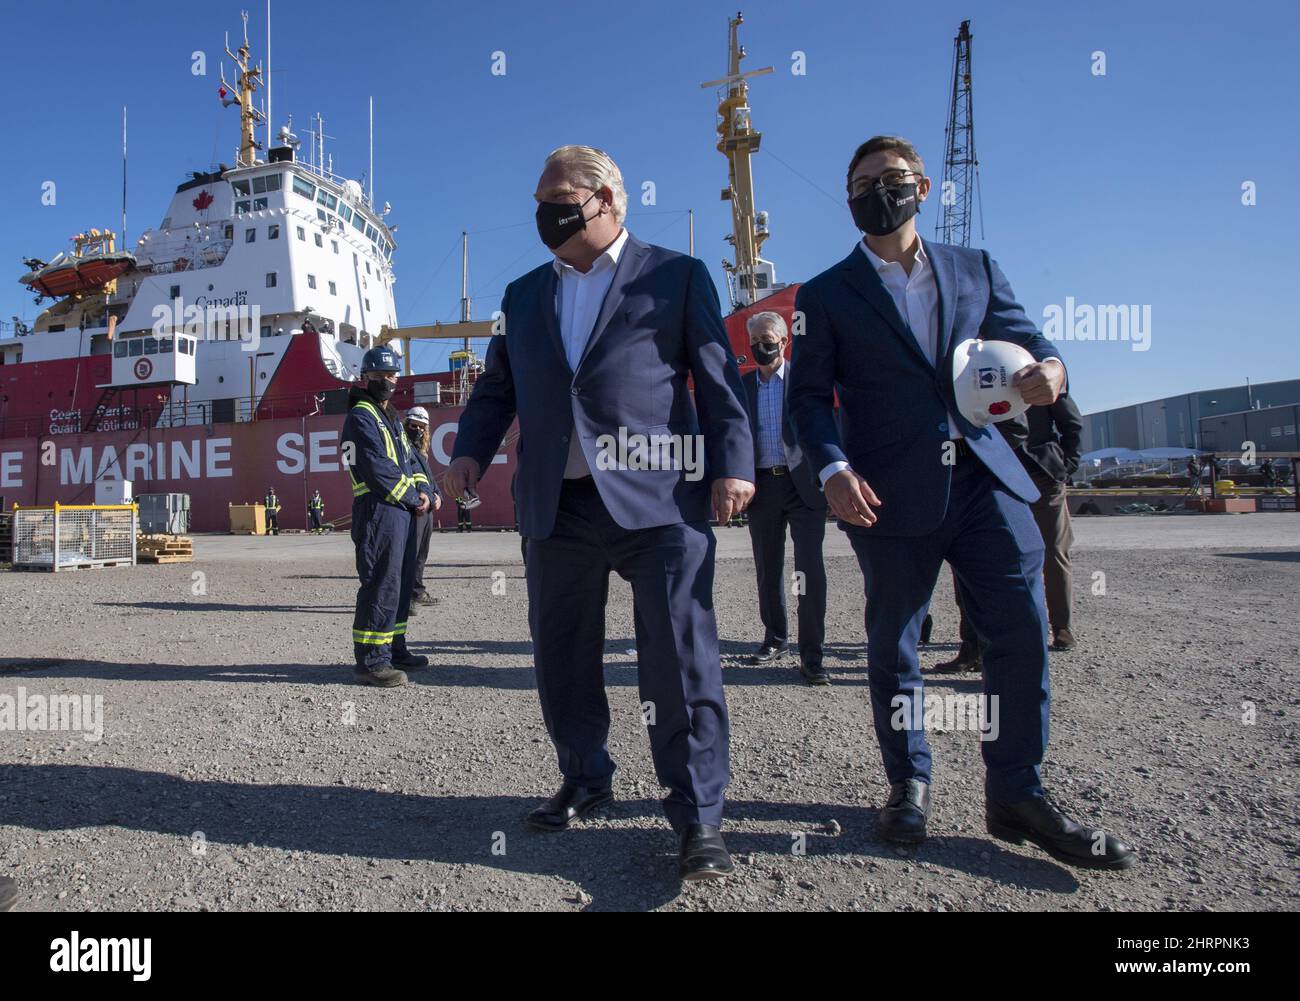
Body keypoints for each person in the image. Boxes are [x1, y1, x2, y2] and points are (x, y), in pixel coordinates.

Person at [787, 135, 1135, 870]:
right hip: (886, 494)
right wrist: (832, 469)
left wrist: (1053, 370)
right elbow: (808, 401)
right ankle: (908, 779)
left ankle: (1016, 790)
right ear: (848, 197)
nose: (876, 190)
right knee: (896, 640)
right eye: (861, 181)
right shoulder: (822, 295)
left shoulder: (974, 268)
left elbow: (1034, 342)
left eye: (890, 178)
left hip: (986, 479)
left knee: (1020, 629)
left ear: (922, 185)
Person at [447, 145, 754, 880]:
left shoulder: (675, 277)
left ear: (608, 200)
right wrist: (469, 449)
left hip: (659, 501)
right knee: (562, 652)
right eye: (539, 200)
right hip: (558, 501)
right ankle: (585, 775)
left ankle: (699, 816)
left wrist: (734, 462)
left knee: (679, 657)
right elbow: (498, 389)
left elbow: (718, 377)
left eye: (559, 198)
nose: (545, 213)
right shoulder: (523, 296)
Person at [935, 394, 1084, 671]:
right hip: (992, 474)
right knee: (971, 560)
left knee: (1053, 551)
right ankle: (973, 645)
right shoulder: (971, 366)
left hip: (1042, 474)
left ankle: (1061, 628)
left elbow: (1071, 423)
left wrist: (1066, 464)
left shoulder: (1032, 362)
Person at [740, 310, 829, 685]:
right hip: (762, 487)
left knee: (806, 571)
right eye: (756, 341)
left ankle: (812, 656)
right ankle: (775, 637)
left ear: (784, 340)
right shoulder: (742, 386)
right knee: (768, 568)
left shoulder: (803, 382)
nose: (762, 347)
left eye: (768, 340)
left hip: (802, 486)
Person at [341, 346, 431, 687]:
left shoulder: (389, 416)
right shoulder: (361, 416)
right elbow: (377, 469)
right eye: (380, 376)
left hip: (401, 510)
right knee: (381, 582)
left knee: (401, 583)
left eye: (392, 376)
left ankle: (394, 648)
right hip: (378, 510)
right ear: (366, 378)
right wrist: (412, 496)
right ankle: (371, 661)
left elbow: (410, 460)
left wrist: (423, 491)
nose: (387, 381)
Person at [404, 406, 443, 609]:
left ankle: (417, 591)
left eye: (422, 427)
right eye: (414, 426)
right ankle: (407, 597)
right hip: (414, 507)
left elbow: (428, 479)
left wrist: (438, 495)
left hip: (426, 508)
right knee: (410, 553)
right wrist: (424, 496)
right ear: (406, 425)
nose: (418, 430)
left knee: (421, 554)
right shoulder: (402, 448)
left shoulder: (421, 452)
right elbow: (411, 476)